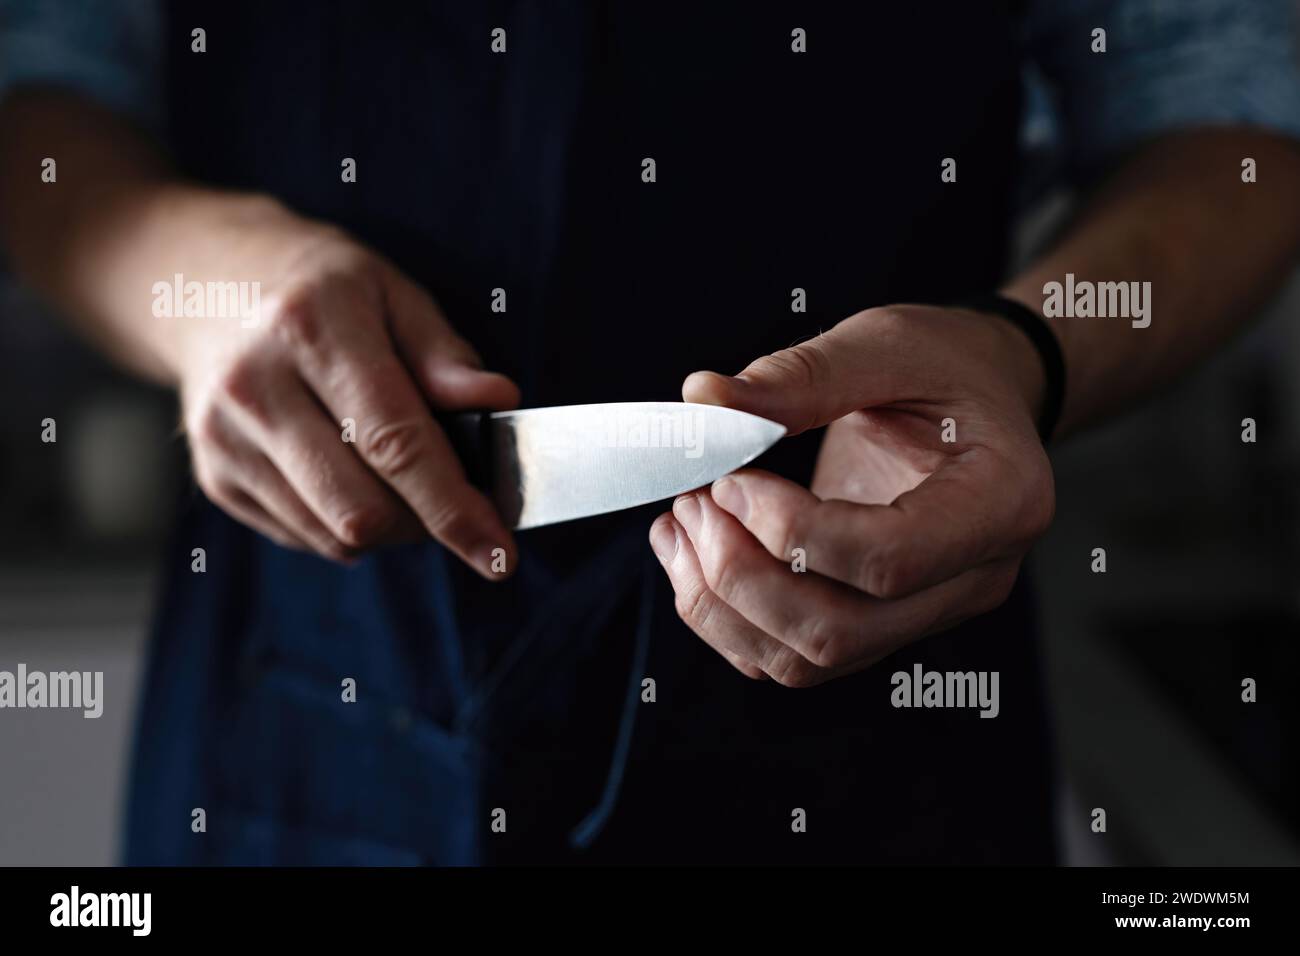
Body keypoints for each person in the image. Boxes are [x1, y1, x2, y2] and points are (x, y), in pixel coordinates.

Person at [2, 1, 1298, 865]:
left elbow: (1235, 121)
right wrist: (197, 282)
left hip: (884, 718)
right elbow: (36, 86)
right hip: (295, 709)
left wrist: (1026, 355)